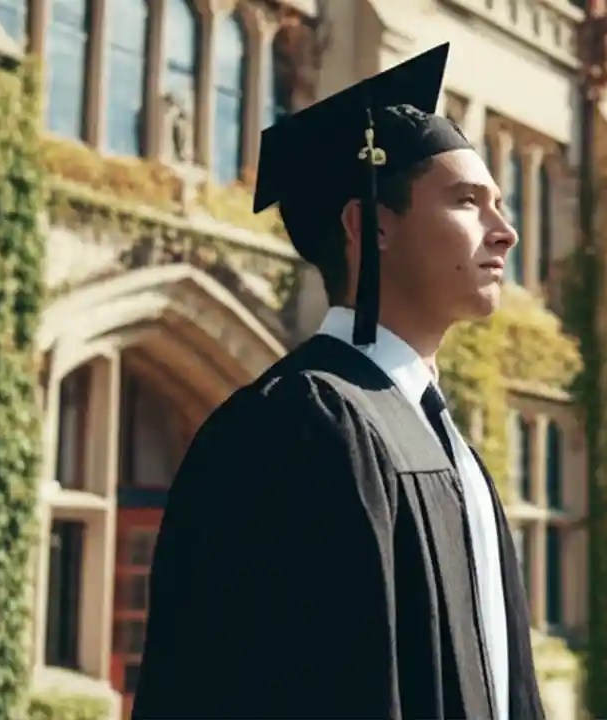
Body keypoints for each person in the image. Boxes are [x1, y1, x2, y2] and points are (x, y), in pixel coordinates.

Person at [130, 43, 544, 719]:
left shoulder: (442, 440)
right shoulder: (297, 427)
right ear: (370, 226)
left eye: (500, 204)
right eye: (469, 202)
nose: (507, 232)